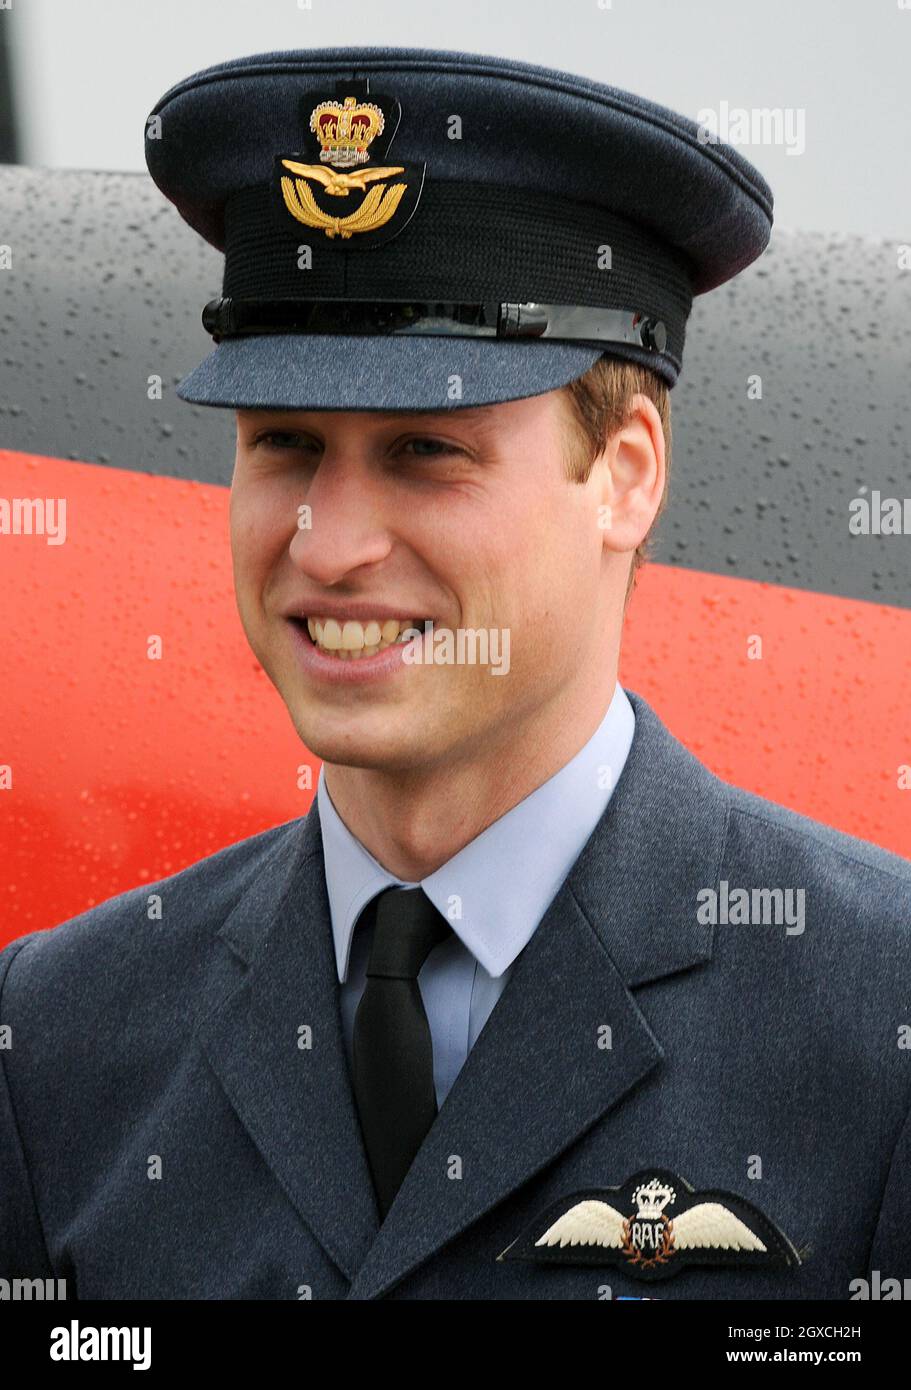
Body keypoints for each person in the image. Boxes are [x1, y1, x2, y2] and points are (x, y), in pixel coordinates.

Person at [1, 47, 909, 1302]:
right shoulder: (57, 1038)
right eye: (283, 444)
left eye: (427, 449)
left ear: (627, 472)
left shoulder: (878, 1021)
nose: (327, 541)